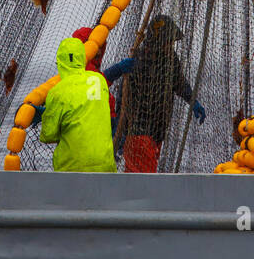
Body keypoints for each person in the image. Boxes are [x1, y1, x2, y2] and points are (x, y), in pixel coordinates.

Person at [103, 15, 205, 173]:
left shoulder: (171, 59)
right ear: (159, 40)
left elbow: (179, 83)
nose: (171, 44)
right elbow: (123, 100)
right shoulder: (138, 60)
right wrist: (121, 134)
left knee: (141, 182)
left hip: (155, 136)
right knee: (143, 186)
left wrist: (193, 101)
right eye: (168, 41)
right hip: (138, 136)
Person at [38, 36, 117, 173]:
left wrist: (45, 114)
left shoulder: (57, 92)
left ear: (60, 62)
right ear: (83, 58)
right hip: (105, 166)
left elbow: (48, 135)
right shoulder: (99, 81)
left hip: (72, 169)